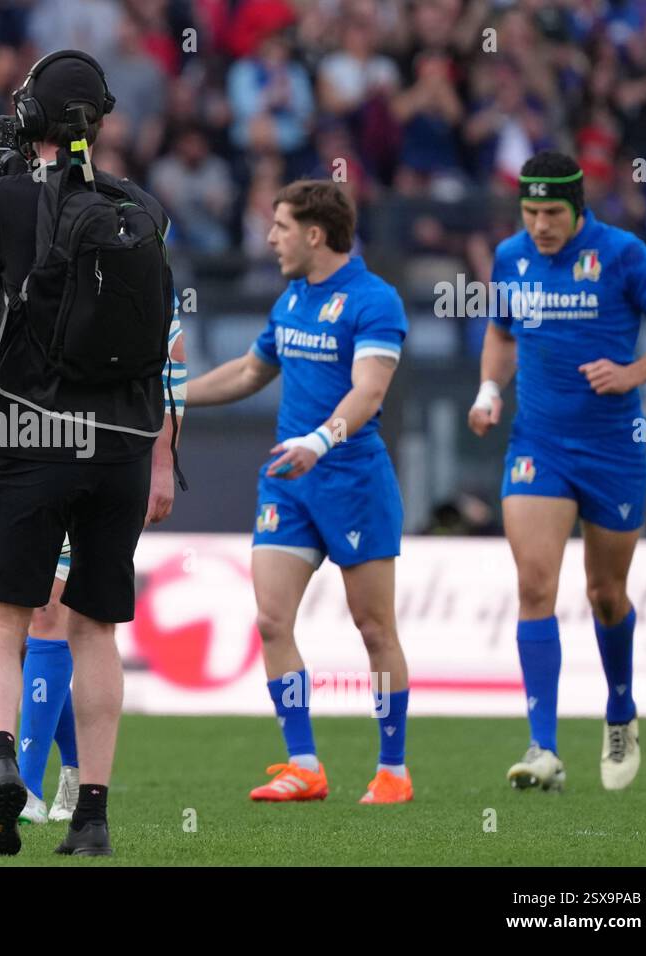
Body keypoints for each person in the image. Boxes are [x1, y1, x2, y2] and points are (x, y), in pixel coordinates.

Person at [0, 50, 178, 856]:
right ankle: (95, 815)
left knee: (2, 622)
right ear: (100, 120)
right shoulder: (141, 206)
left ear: (31, 116)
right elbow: (162, 348)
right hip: (123, 446)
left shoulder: (2, 200)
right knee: (96, 632)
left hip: (31, 434)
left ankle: (6, 763)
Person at [468, 151, 646, 792]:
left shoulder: (622, 254)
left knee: (605, 594)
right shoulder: (511, 257)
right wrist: (488, 389)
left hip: (615, 447)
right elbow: (503, 332)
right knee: (535, 584)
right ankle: (543, 747)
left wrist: (631, 375)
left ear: (577, 208)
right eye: (530, 211)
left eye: (551, 213)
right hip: (538, 443)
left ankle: (620, 707)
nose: (539, 225)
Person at [189, 180, 414, 806]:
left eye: (281, 226)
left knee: (374, 629)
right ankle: (304, 764)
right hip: (289, 483)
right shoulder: (292, 298)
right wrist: (171, 395)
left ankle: (393, 770)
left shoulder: (375, 301)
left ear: (315, 234)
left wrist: (320, 440)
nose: (269, 238)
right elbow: (248, 372)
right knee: (269, 619)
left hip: (352, 481)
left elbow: (369, 393)